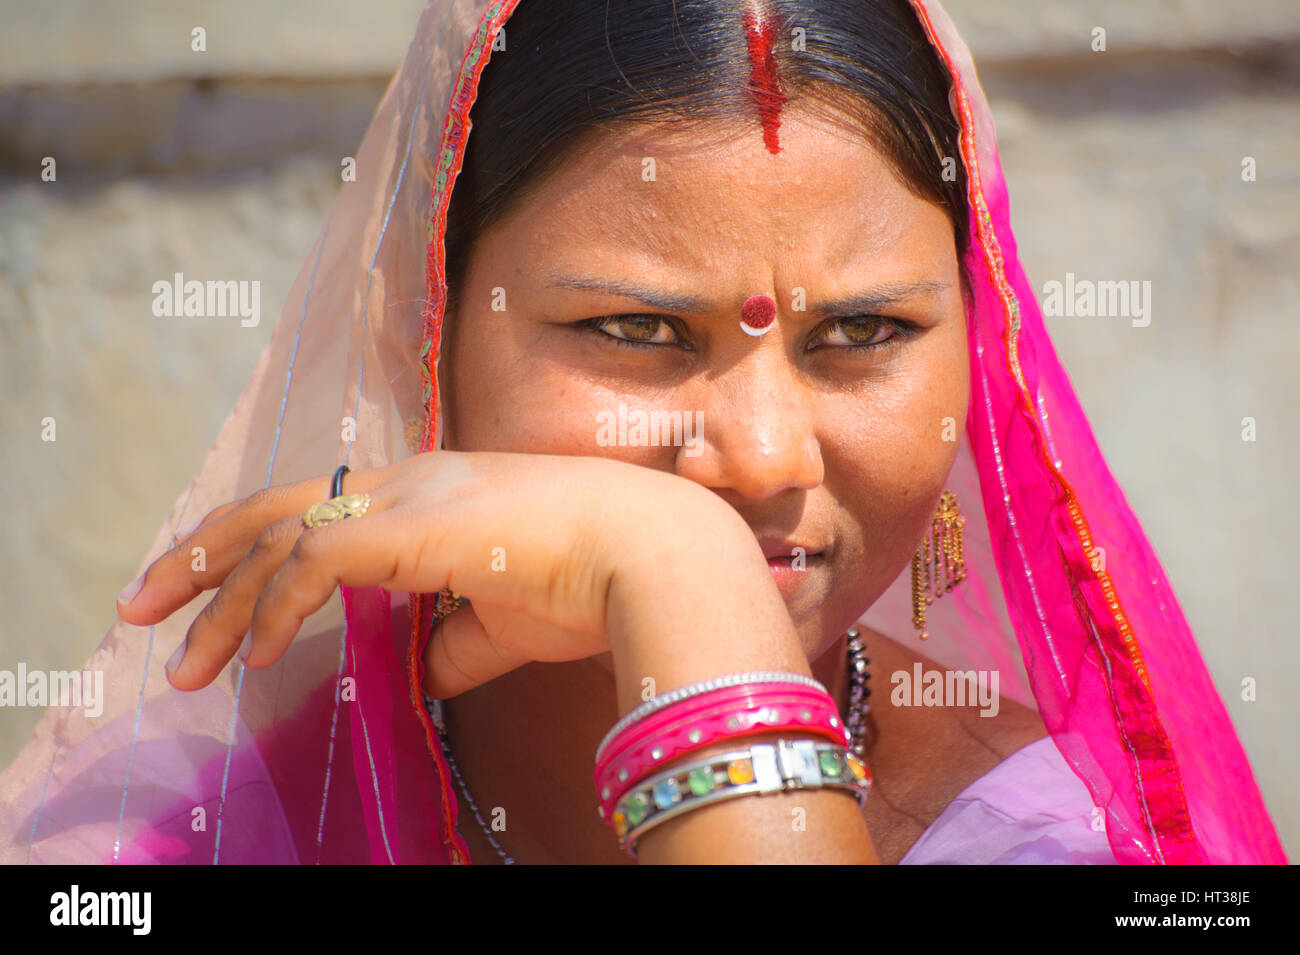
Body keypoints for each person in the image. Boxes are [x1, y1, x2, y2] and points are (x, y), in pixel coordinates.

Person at [0, 0, 1286, 865]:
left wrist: (680, 583)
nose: (767, 455)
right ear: (421, 328)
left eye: (867, 333)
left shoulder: (1061, 837)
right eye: (634, 331)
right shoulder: (181, 835)